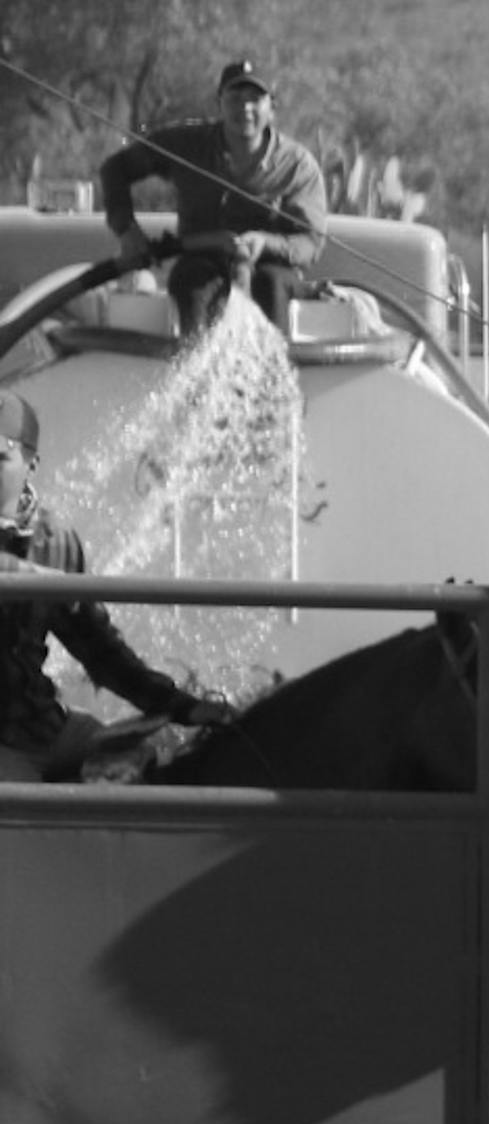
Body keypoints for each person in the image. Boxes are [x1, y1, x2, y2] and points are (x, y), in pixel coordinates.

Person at [0, 395, 234, 779]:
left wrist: (181, 706)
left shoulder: (55, 539)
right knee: (18, 818)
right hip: (6, 752)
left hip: (47, 728)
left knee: (150, 762)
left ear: (31, 464)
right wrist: (33, 575)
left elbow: (98, 647)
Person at [95, 58, 327, 339]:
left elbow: (310, 243)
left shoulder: (298, 165)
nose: (245, 108)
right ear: (219, 102)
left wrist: (264, 242)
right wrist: (127, 231)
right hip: (199, 262)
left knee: (270, 283)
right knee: (194, 284)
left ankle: (273, 372)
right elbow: (114, 169)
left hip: (272, 270)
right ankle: (197, 369)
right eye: (235, 98)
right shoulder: (184, 144)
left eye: (255, 98)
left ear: (272, 107)